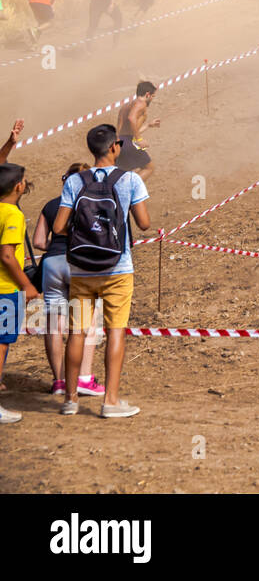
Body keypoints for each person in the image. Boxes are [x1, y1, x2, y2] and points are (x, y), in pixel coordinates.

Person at [53, 124, 151, 418]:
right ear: (114, 148)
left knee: (77, 333)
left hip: (81, 269)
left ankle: (70, 400)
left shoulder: (74, 181)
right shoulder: (130, 179)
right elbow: (144, 223)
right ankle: (110, 401)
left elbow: (58, 227)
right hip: (118, 268)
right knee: (115, 331)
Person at [33, 162, 102, 402]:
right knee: (88, 321)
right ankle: (83, 378)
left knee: (54, 325)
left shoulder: (52, 205)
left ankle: (59, 382)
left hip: (52, 262)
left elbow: (39, 242)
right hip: (79, 263)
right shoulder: (90, 203)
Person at [0, 162, 39, 423]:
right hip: (5, 290)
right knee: (1, 346)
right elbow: (6, 255)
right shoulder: (12, 214)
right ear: (18, 186)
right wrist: (26, 284)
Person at [114, 81, 160, 180]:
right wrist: (139, 140)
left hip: (118, 143)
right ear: (147, 94)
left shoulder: (127, 106)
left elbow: (129, 131)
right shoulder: (141, 104)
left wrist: (148, 125)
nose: (152, 99)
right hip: (127, 143)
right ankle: (127, 190)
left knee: (124, 175)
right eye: (152, 96)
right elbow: (131, 118)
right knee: (149, 168)